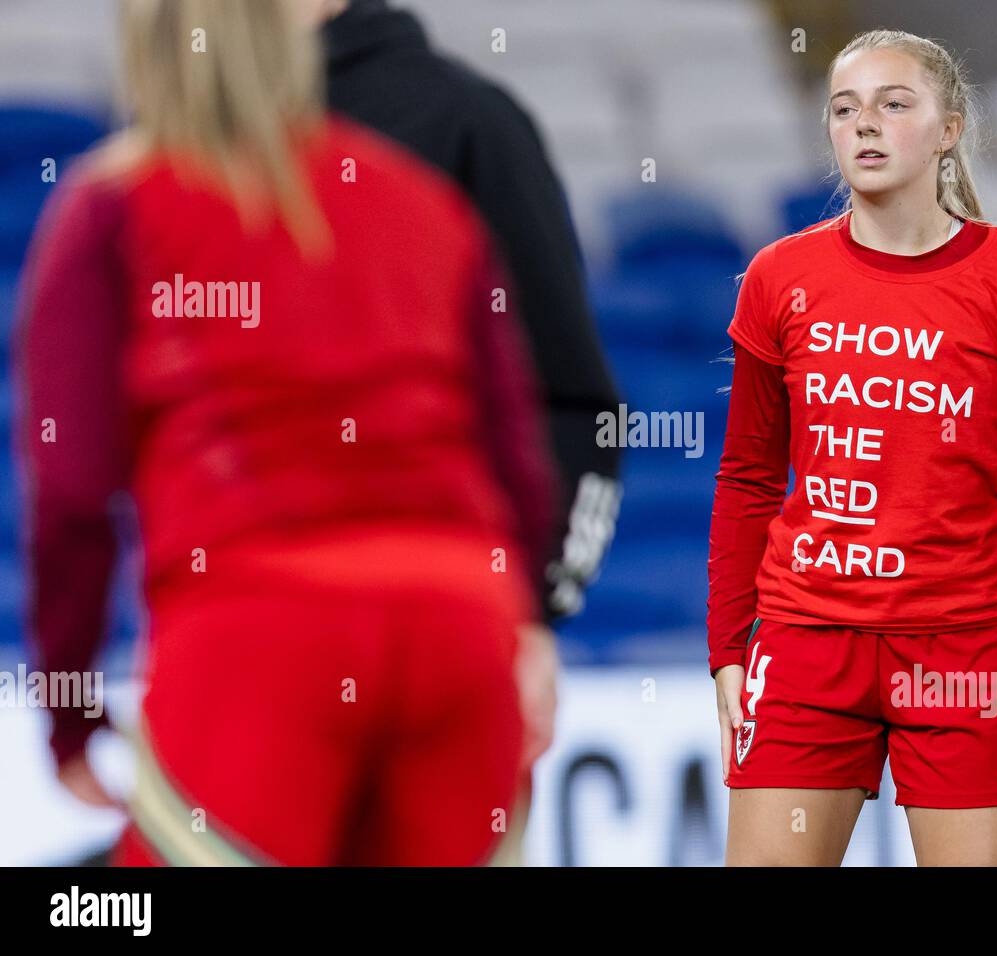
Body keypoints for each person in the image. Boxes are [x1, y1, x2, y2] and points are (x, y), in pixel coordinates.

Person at [16, 0, 555, 865]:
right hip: (460, 624)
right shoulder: (425, 204)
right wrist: (523, 634)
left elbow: (73, 494)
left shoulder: (110, 210)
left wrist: (73, 710)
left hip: (255, 633)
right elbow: (517, 465)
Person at [707, 29, 997, 866]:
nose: (866, 125)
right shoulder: (780, 278)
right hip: (806, 642)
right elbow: (747, 475)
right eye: (845, 109)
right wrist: (726, 651)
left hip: (961, 649)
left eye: (895, 105)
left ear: (949, 129)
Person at [320, 0, 625, 863]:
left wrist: (531, 613)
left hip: (440, 647)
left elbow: (574, 402)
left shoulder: (466, 122)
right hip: (252, 654)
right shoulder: (196, 134)